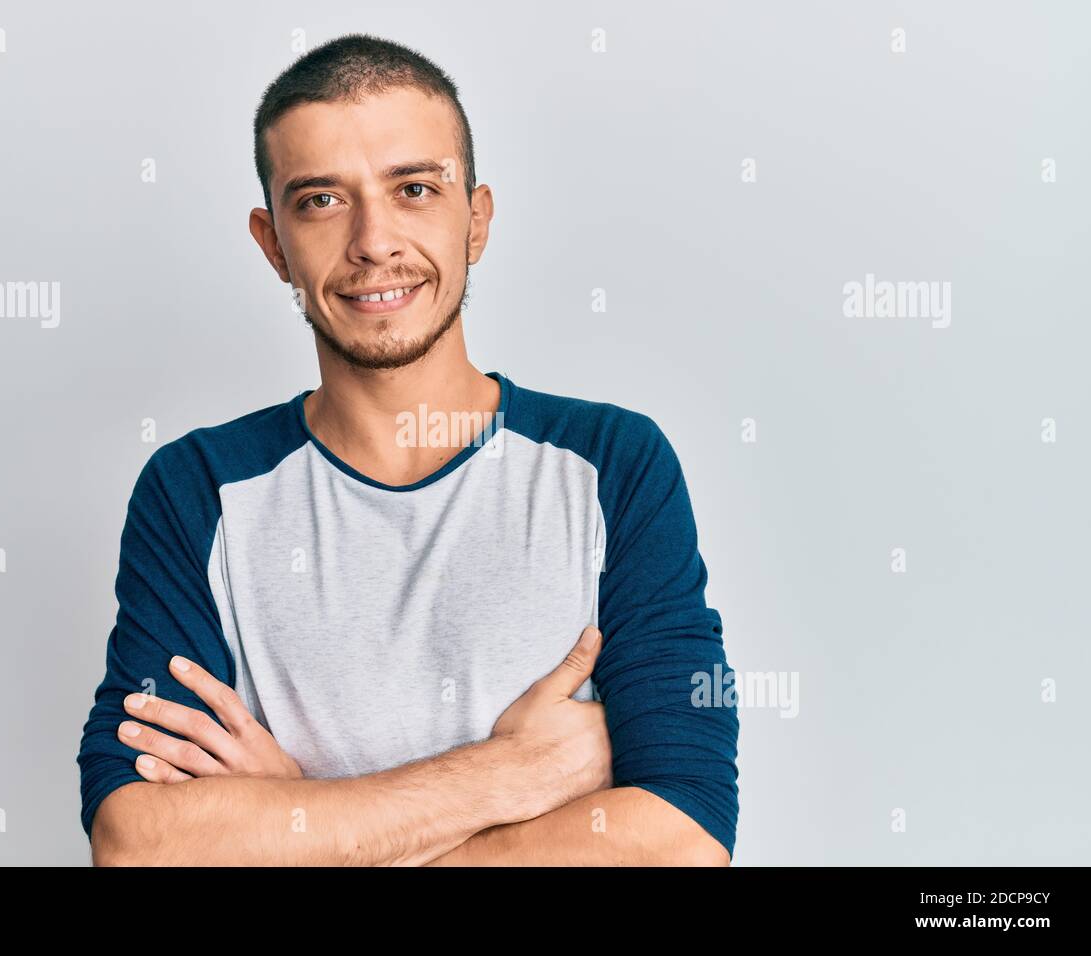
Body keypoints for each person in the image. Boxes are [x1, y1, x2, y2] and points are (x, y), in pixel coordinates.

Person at [77, 32, 738, 866]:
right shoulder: (198, 490)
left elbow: (685, 839)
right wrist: (503, 776)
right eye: (321, 200)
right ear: (272, 241)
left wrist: (294, 821)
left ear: (477, 220)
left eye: (415, 188)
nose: (374, 242)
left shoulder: (613, 463)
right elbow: (138, 844)